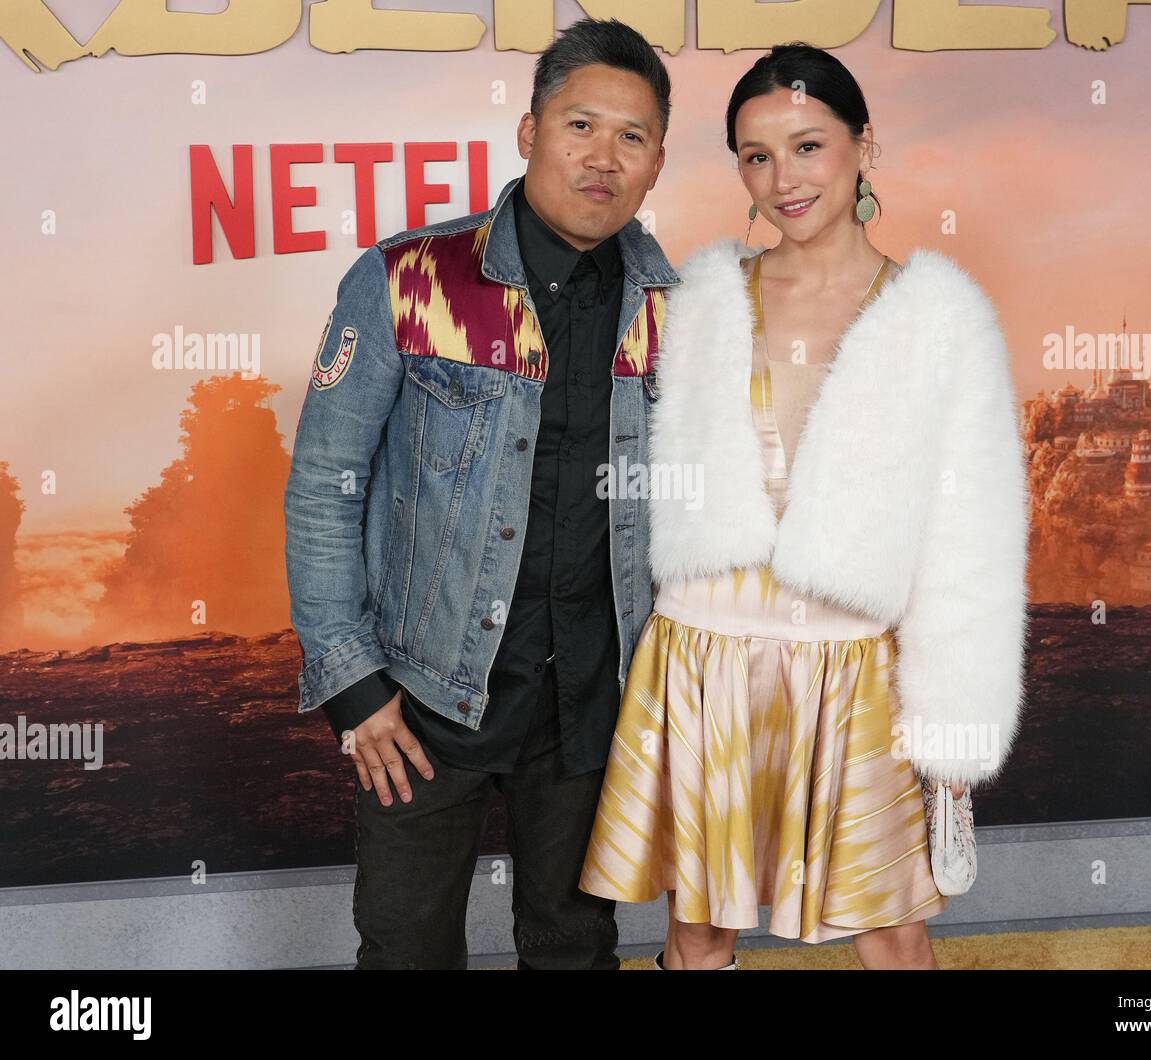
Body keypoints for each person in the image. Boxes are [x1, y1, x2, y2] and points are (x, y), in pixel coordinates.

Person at [579, 43, 1030, 970]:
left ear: (864, 145)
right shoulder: (699, 300)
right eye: (757, 155)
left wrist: (953, 722)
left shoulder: (940, 317)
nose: (783, 178)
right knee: (697, 928)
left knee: (892, 930)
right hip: (701, 654)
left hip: (855, 666)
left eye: (808, 146)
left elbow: (974, 537)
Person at [283, 17, 679, 969]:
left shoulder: (681, 311)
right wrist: (353, 688)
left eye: (631, 137)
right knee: (407, 951)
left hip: (591, 706)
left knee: (574, 947)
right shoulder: (408, 279)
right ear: (530, 131)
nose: (603, 159)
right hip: (420, 702)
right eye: (580, 126)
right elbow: (324, 490)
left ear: (657, 163)